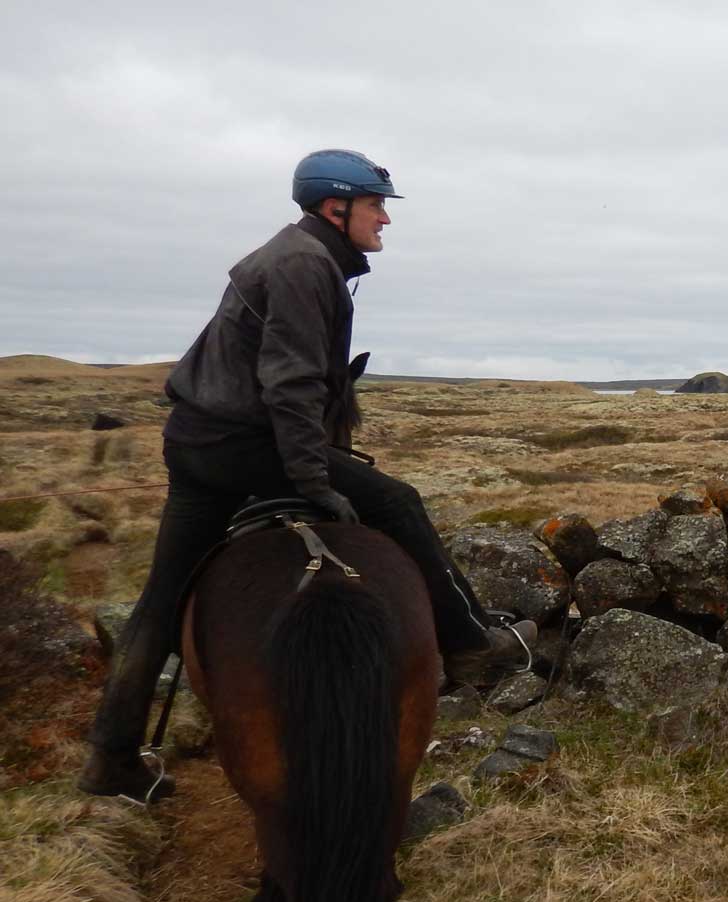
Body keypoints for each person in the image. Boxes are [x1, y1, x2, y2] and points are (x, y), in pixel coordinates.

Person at [78, 149, 534, 804]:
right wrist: (314, 479)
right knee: (399, 503)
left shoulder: (299, 256)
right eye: (376, 205)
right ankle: (470, 641)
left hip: (199, 442)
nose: (385, 220)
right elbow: (289, 383)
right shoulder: (302, 265)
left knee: (160, 599)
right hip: (244, 443)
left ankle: (111, 757)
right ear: (334, 207)